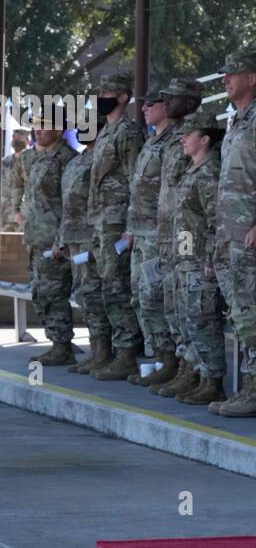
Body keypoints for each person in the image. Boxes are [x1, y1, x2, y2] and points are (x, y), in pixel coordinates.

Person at [204, 51, 256, 418]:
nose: (225, 80)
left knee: (254, 310)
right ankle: (249, 387)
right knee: (240, 311)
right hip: (230, 233)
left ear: (253, 78)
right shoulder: (235, 121)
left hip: (251, 234)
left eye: (233, 73)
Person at [147, 77, 204, 395]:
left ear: (192, 102)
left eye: (174, 97)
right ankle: (180, 365)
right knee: (171, 303)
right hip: (168, 232)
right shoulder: (173, 138)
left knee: (190, 305)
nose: (167, 102)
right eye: (165, 98)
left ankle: (196, 370)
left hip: (189, 234)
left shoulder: (200, 134)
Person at [120, 90, 182, 383]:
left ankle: (171, 360)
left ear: (166, 107)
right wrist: (130, 228)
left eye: (151, 103)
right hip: (141, 232)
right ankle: (160, 357)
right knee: (140, 298)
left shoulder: (175, 141)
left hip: (160, 233)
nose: (144, 108)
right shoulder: (151, 141)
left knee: (156, 296)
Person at [86, 72, 145, 381]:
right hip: (101, 221)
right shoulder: (106, 133)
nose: (101, 95)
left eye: (108, 91)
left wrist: (131, 225)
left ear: (123, 97)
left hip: (119, 220)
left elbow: (137, 180)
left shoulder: (129, 132)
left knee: (117, 287)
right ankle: (106, 351)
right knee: (104, 286)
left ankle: (126, 353)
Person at [170, 109, 227, 405]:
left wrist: (210, 259)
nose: (182, 139)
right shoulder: (191, 170)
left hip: (200, 260)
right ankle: (196, 372)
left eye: (188, 135)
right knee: (189, 319)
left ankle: (213, 380)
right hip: (184, 259)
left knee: (204, 320)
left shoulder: (208, 173)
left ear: (204, 139)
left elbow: (216, 220)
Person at [54, 118, 110, 374]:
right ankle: (94, 350)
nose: (81, 132)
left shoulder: (102, 161)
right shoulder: (77, 160)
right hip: (74, 238)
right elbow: (67, 205)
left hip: (91, 237)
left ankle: (103, 352)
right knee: (84, 296)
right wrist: (62, 239)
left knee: (94, 295)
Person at [22, 107, 76, 363]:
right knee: (42, 293)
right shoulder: (41, 158)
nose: (38, 130)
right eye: (36, 125)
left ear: (59, 129)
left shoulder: (66, 160)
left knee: (54, 293)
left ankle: (62, 345)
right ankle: (57, 342)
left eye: (44, 125)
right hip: (37, 239)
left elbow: (71, 205)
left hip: (54, 241)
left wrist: (62, 240)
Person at [1, 132, 29, 231]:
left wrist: (21, 212)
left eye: (19, 137)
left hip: (22, 216)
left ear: (27, 141)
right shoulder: (5, 162)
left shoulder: (31, 162)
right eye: (14, 137)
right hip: (4, 213)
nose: (15, 139)